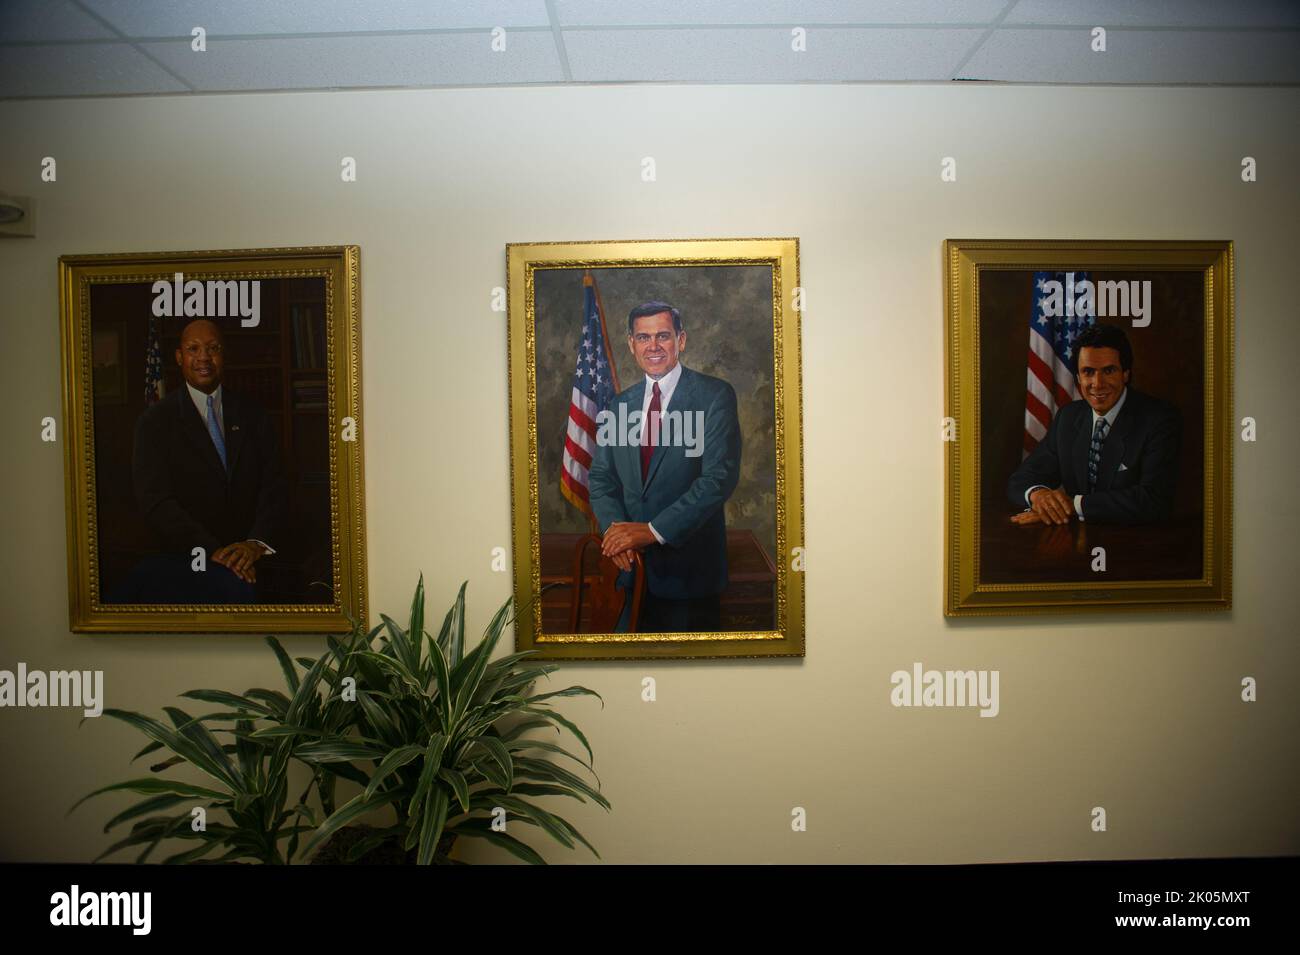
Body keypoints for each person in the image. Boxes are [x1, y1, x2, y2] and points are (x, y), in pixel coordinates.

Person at [588, 301, 742, 632]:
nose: (653, 346)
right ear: (631, 344)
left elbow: (718, 479)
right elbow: (602, 478)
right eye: (643, 338)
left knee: (692, 682)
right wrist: (616, 535)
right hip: (631, 574)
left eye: (663, 336)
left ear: (681, 340)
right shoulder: (619, 405)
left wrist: (651, 531)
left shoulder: (714, 396)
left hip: (690, 580)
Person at [129, 318, 286, 602]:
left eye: (213, 348)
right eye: (193, 348)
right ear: (179, 357)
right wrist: (214, 551)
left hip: (256, 556)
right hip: (186, 559)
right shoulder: (154, 422)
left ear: (223, 355)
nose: (204, 357)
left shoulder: (254, 414)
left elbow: (275, 486)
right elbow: (156, 502)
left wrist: (255, 544)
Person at [1007, 323, 1180, 526]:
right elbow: (1020, 480)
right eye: (1088, 372)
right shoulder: (1068, 417)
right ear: (1078, 377)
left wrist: (1072, 506)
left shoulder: (1160, 419)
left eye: (1108, 371)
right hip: (1075, 546)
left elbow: (1153, 500)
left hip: (1137, 545)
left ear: (1126, 373)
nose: (1097, 383)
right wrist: (1039, 496)